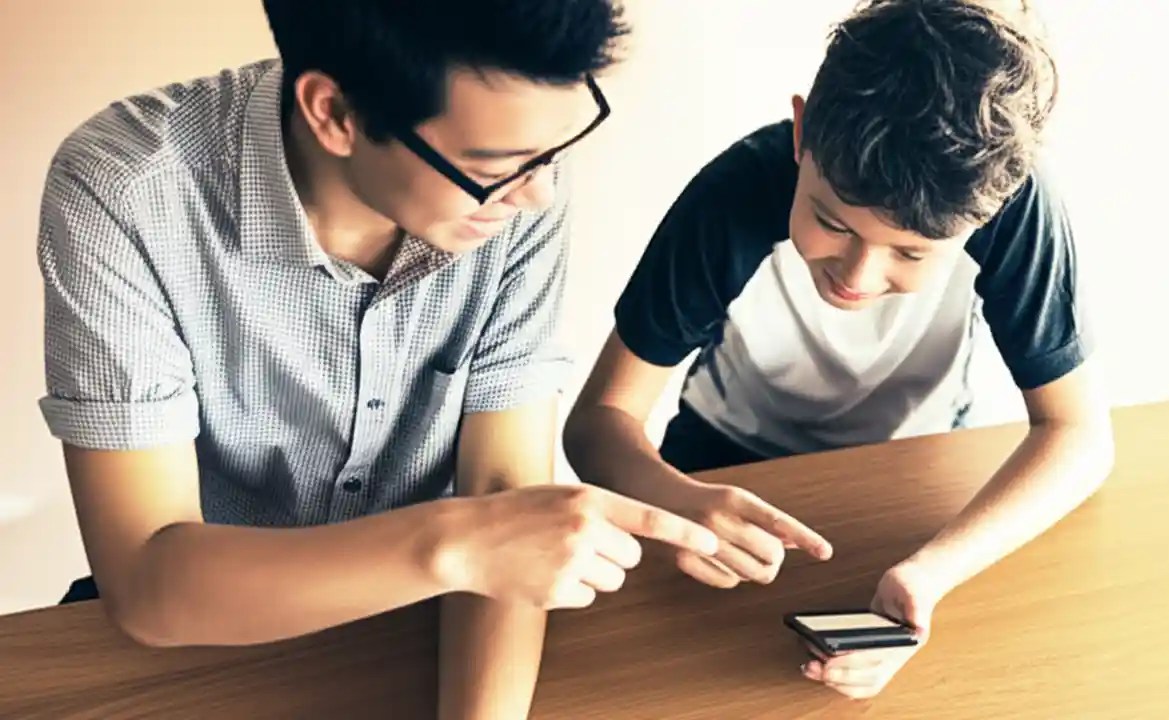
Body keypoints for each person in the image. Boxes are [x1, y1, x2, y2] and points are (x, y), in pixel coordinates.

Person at [35, 1, 719, 717]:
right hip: (202, 636)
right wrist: (458, 542)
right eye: (493, 168)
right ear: (334, 113)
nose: (539, 193)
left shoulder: (515, 177)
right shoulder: (128, 192)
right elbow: (147, 582)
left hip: (421, 628)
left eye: (552, 156)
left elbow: (502, 490)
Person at [563, 0, 1115, 700]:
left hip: (915, 484)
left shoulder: (1016, 206)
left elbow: (1080, 436)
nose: (857, 277)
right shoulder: (733, 193)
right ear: (801, 134)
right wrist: (679, 497)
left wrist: (929, 575)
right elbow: (597, 422)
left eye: (912, 252)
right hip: (719, 469)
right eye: (830, 221)